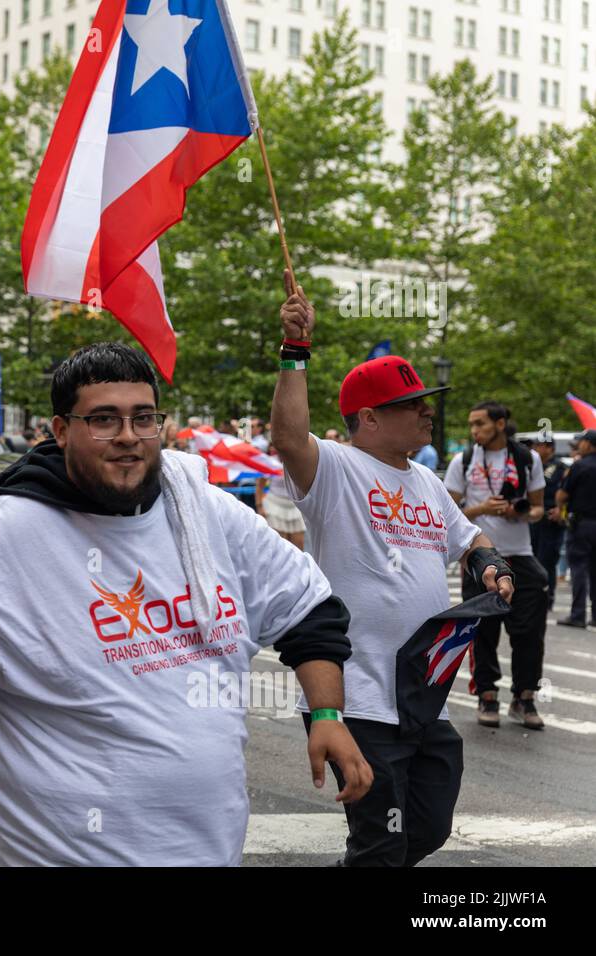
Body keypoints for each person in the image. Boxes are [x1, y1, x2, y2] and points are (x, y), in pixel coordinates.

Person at [0, 342, 372, 866]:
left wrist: (326, 713)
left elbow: (309, 610)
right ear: (61, 429)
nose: (127, 436)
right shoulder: (4, 538)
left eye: (143, 418)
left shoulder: (201, 510)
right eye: (103, 419)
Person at [270, 272, 515, 865]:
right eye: (412, 407)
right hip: (356, 698)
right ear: (370, 418)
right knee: (381, 844)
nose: (427, 415)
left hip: (419, 694)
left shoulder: (427, 480)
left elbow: (469, 535)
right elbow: (288, 434)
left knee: (426, 829)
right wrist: (295, 351)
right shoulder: (335, 469)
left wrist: (488, 562)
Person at [443, 402, 547, 730]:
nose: (474, 431)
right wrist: (482, 509)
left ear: (500, 423)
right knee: (482, 632)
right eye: (472, 425)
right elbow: (448, 511)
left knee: (529, 633)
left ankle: (524, 697)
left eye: (480, 424)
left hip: (520, 553)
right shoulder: (465, 460)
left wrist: (521, 513)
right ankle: (487, 695)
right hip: (480, 557)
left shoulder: (528, 459)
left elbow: (538, 509)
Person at [556, 430, 596, 629]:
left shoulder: (580, 466)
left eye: (581, 442)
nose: (579, 445)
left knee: (579, 568)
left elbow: (562, 496)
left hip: (582, 524)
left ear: (589, 445)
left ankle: (578, 614)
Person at [528, 438, 569, 613]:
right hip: (533, 520)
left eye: (540, 446)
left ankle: (547, 597)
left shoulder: (560, 468)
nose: (536, 449)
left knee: (547, 561)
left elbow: (568, 493)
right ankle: (533, 597)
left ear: (549, 448)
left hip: (550, 521)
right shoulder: (531, 466)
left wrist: (562, 511)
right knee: (532, 559)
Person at [254, 445, 305, 550]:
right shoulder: (270, 462)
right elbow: (260, 486)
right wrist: (259, 506)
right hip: (274, 506)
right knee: (280, 547)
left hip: (293, 507)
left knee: (299, 546)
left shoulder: (298, 461)